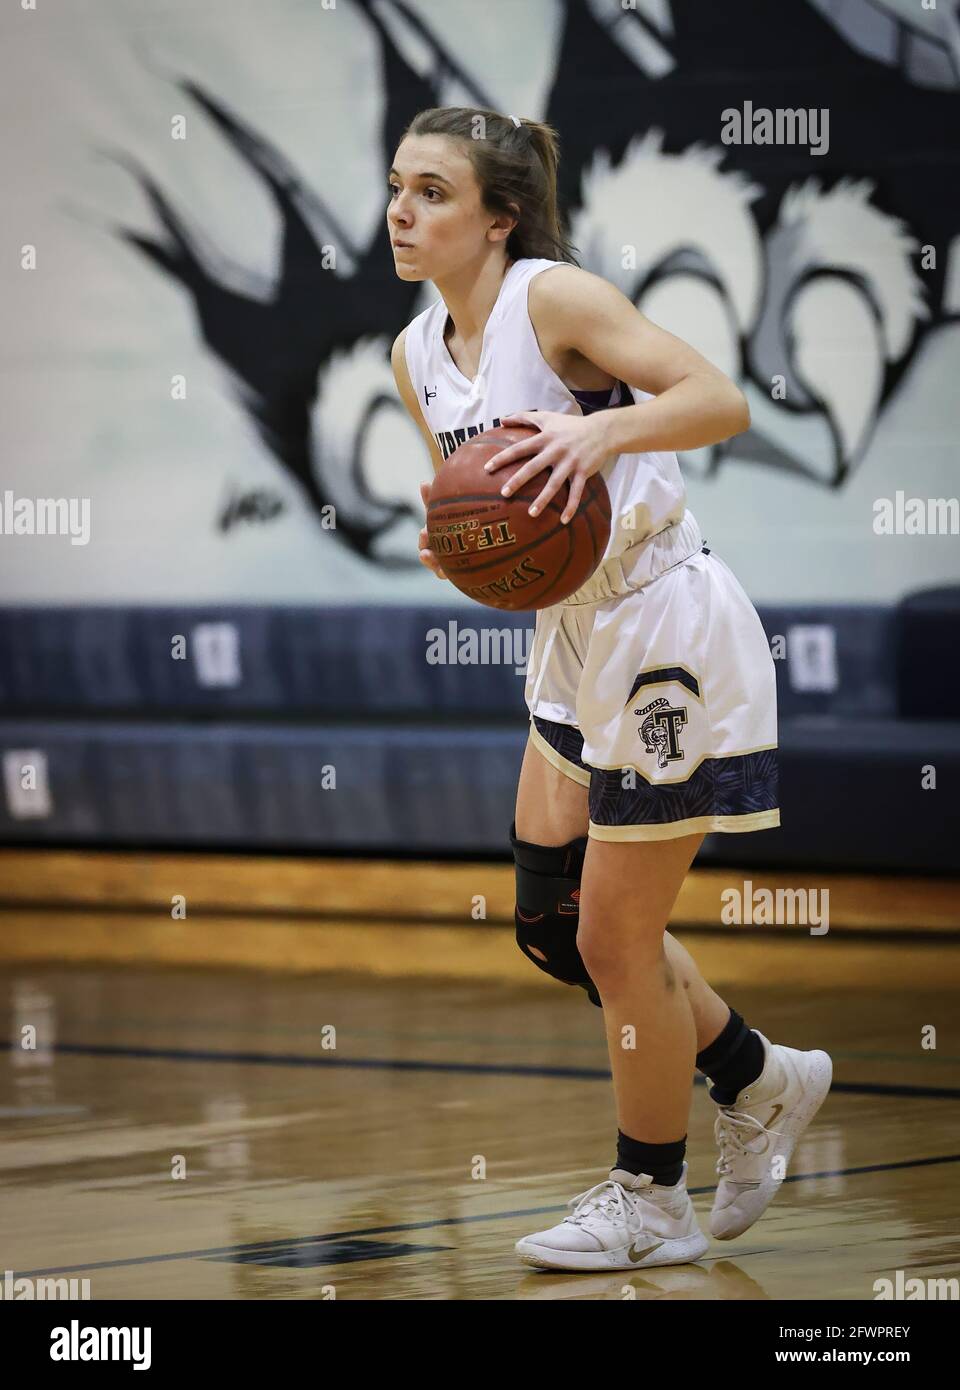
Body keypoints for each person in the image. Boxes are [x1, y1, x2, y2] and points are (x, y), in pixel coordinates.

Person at [388, 105, 832, 1273]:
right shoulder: (413, 353)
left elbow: (721, 399)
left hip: (664, 617)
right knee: (551, 925)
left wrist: (603, 438)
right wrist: (461, 548)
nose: (400, 209)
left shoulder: (555, 301)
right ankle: (757, 1076)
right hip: (569, 632)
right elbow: (485, 505)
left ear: (499, 217)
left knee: (614, 933)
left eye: (433, 191)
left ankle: (653, 1197)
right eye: (397, 186)